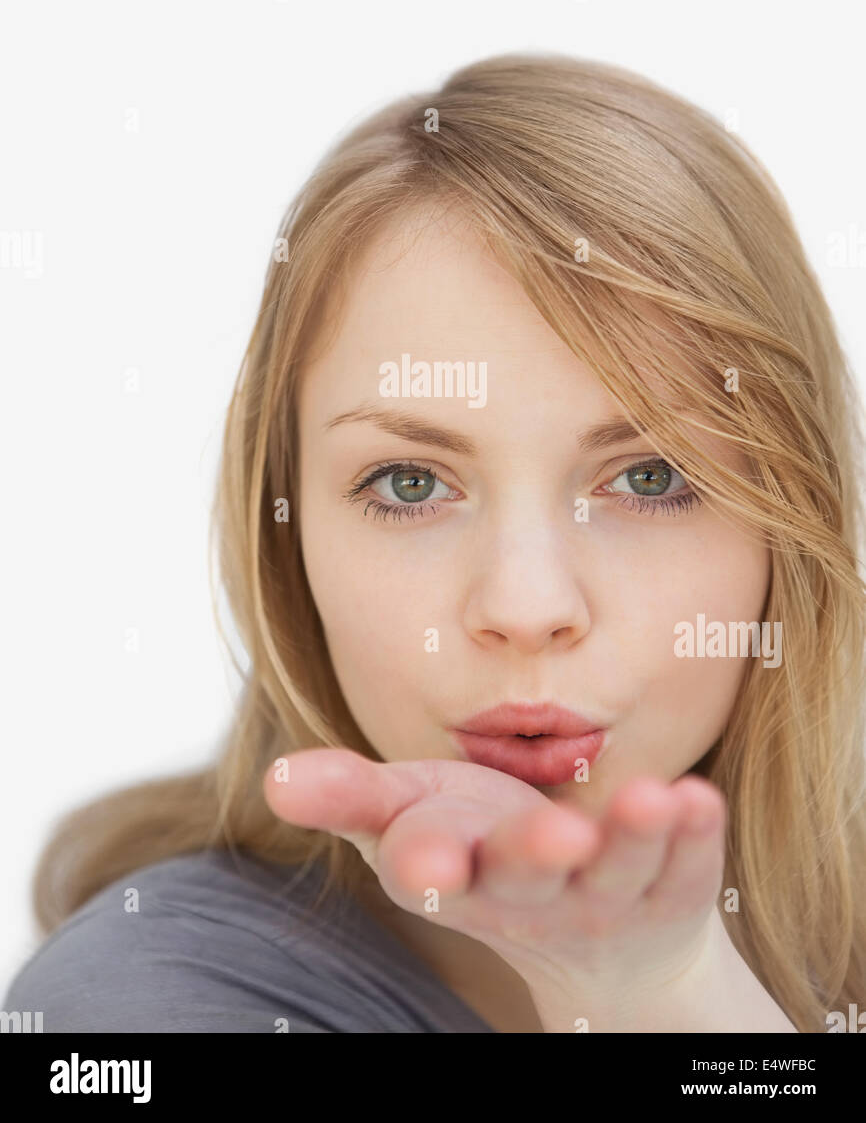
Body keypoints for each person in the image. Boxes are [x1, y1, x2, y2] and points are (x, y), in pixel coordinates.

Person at [5, 53, 865, 1033]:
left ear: (792, 519)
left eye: (648, 478)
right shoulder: (140, 1008)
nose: (526, 605)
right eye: (409, 484)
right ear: (285, 542)